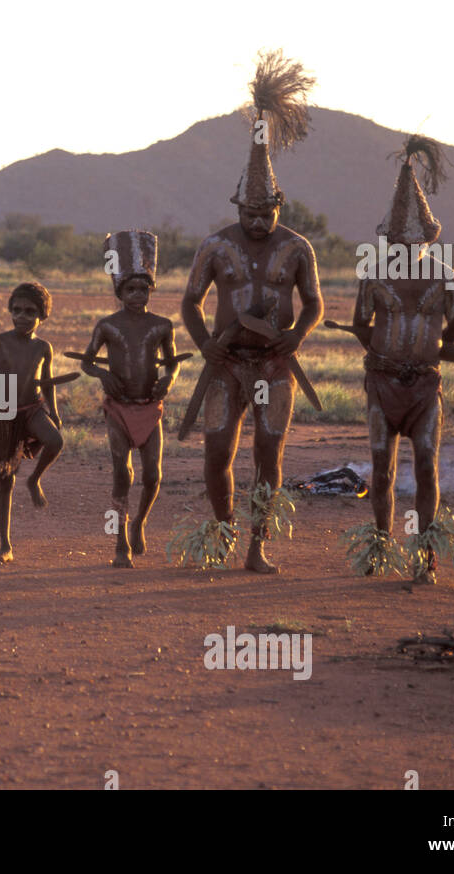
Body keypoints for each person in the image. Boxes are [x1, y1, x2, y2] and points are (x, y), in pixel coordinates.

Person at [178, 51, 322, 573]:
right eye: (250, 213)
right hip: (224, 365)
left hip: (275, 367)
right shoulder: (215, 246)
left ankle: (257, 548)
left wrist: (296, 337)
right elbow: (190, 303)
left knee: (269, 455)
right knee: (216, 455)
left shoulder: (297, 247)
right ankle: (221, 534)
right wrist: (205, 345)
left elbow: (315, 303)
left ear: (279, 208)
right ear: (237, 207)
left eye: (267, 213)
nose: (259, 221)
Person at [347, 135, 454, 586]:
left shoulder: (445, 278)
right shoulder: (374, 276)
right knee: (381, 467)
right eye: (398, 241)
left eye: (413, 241)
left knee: (426, 465)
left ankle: (425, 557)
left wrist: (426, 353)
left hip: (425, 386)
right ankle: (381, 548)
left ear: (429, 239)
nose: (405, 248)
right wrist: (383, 357)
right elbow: (362, 325)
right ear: (388, 240)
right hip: (382, 384)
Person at [78, 231, 179, 567]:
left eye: (144, 288)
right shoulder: (107, 326)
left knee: (154, 476)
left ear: (152, 289)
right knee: (123, 474)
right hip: (118, 410)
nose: (138, 294)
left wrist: (169, 380)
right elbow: (87, 362)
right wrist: (104, 375)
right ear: (119, 292)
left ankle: (140, 522)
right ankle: (119, 543)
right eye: (131, 289)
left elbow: (172, 363)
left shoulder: (163, 326)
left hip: (150, 408)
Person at [0, 283, 64, 564]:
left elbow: (47, 383)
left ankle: (35, 479)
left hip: (32, 408)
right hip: (2, 413)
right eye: (17, 310)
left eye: (30, 312)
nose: (22, 316)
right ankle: (5, 544)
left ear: (42, 316)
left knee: (56, 440)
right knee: (4, 478)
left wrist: (54, 413)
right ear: (9, 311)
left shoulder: (43, 347)